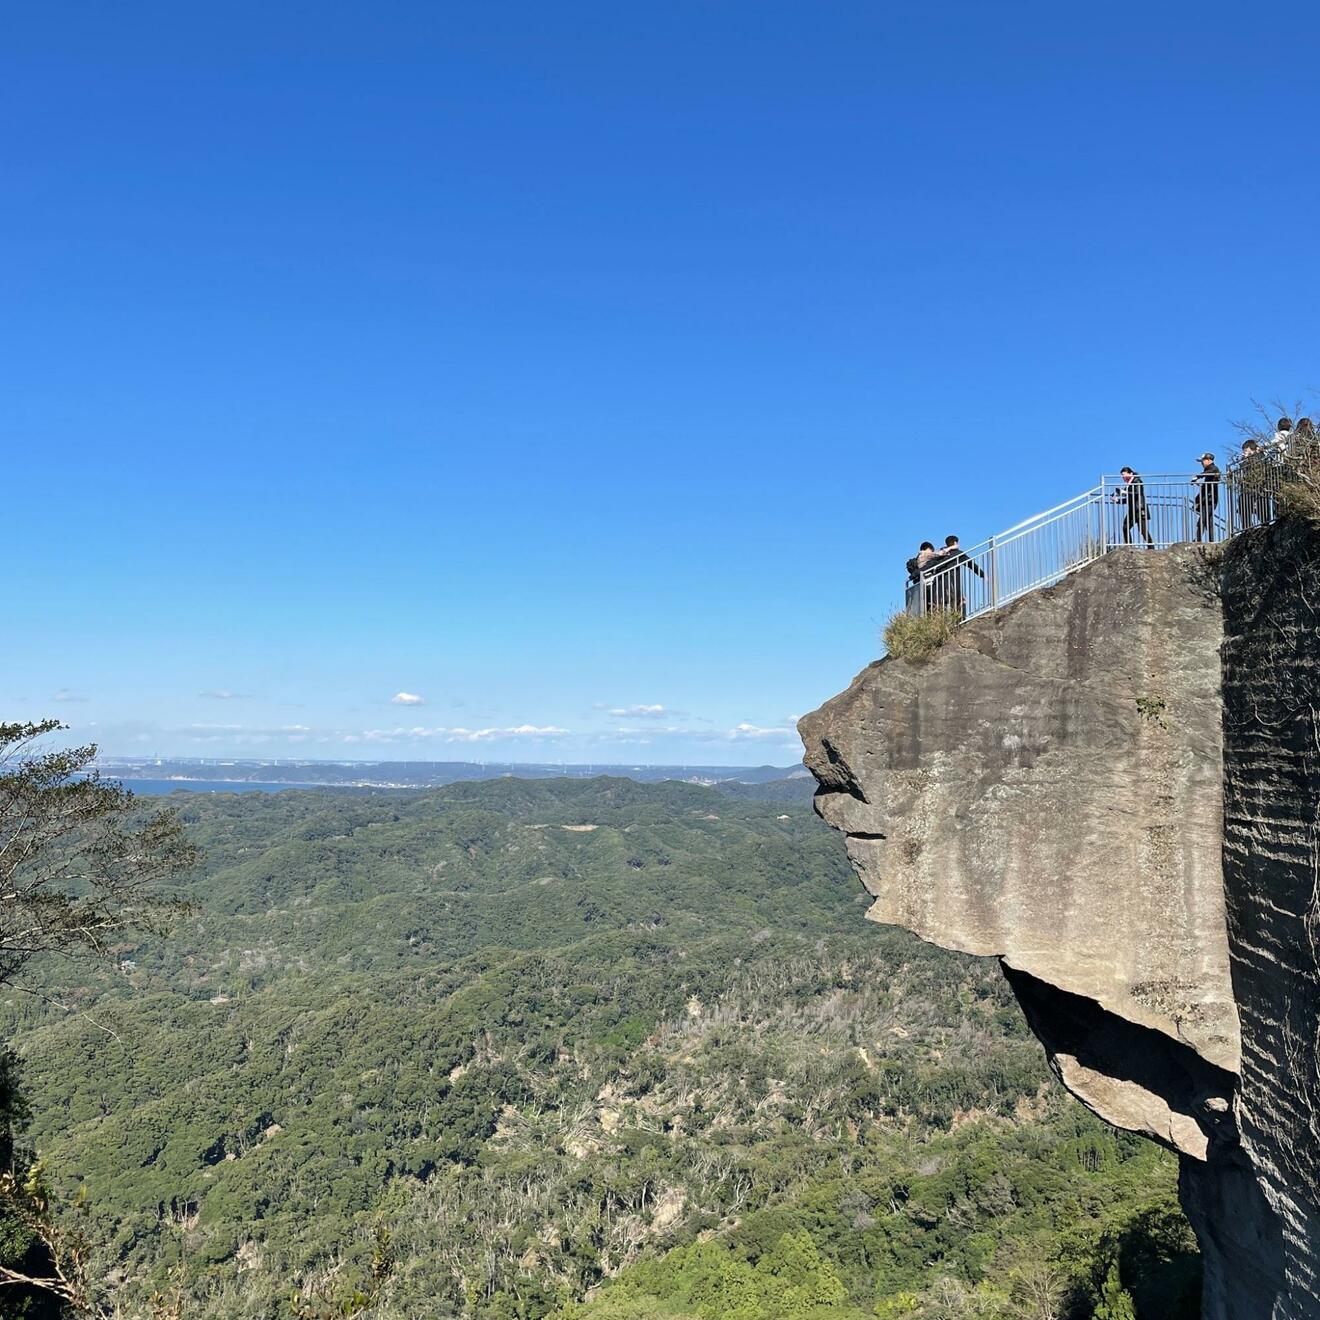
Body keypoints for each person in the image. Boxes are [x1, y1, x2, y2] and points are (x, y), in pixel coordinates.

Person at [934, 534, 985, 617]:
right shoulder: (958, 553)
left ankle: (949, 623)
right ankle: (961, 622)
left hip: (939, 583)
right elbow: (971, 564)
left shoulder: (941, 554)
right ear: (955, 543)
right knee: (960, 601)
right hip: (953, 583)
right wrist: (982, 574)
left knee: (945, 604)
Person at [1118, 467, 1154, 546]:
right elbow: (1129, 498)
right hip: (1132, 510)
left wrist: (1124, 492)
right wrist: (1118, 500)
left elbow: (1137, 493)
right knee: (1125, 527)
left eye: (1123, 475)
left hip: (1140, 508)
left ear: (1130, 473)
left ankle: (1151, 547)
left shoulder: (1137, 481)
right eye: (1121, 475)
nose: (1122, 477)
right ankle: (1129, 547)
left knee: (1142, 530)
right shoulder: (1128, 485)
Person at [1237, 438, 1268, 529]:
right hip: (1249, 488)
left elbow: (1258, 468)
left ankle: (1264, 524)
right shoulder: (1248, 459)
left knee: (1261, 506)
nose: (1244, 453)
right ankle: (1247, 527)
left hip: (1259, 487)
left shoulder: (1260, 457)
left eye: (1246, 450)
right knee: (1243, 504)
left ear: (1252, 449)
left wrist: (1247, 459)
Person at [1191, 452, 1220, 542]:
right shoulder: (1210, 469)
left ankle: (1198, 539)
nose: (1201, 463)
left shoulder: (1213, 468)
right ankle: (1211, 540)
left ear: (1208, 460)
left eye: (1202, 461)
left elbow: (1209, 473)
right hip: (1207, 499)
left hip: (1210, 500)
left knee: (1203, 519)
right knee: (1208, 520)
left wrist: (1198, 476)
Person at [905, 542, 938, 611]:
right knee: (931, 605)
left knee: (924, 606)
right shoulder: (929, 559)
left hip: (918, 586)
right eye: (931, 551)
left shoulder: (913, 562)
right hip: (929, 585)